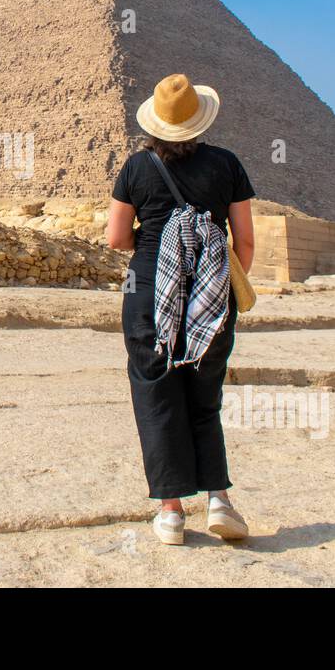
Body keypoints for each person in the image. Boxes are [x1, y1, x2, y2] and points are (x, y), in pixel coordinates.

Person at [106, 74, 256, 545]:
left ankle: (171, 513)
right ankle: (219, 501)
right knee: (204, 398)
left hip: (150, 293)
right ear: (199, 119)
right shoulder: (227, 165)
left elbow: (115, 238)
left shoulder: (135, 167)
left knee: (157, 396)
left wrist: (157, 250)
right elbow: (245, 241)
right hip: (210, 295)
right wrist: (222, 283)